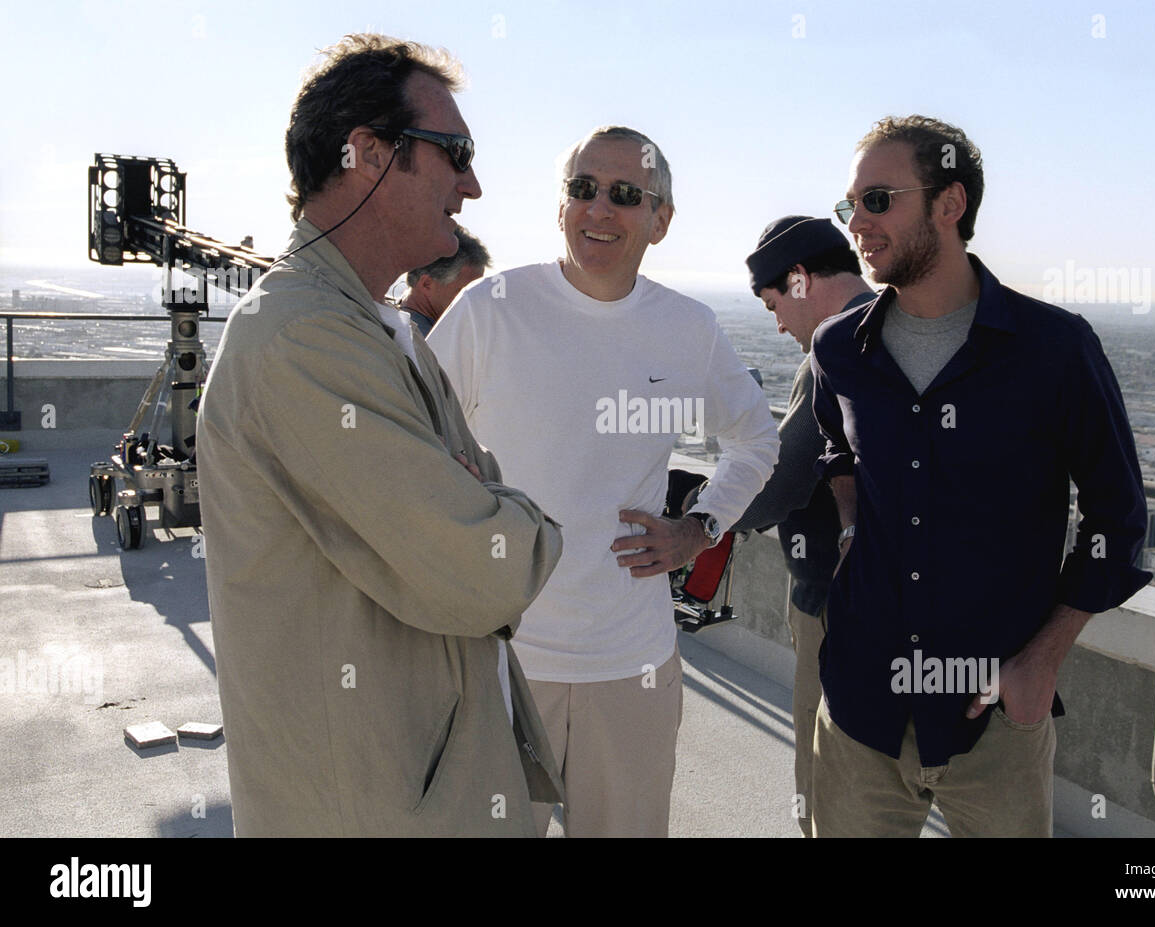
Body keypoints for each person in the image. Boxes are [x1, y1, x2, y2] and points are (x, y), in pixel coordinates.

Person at [195, 34, 564, 837]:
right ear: (366, 153)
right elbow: (485, 566)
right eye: (453, 152)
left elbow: (468, 516)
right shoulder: (304, 340)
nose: (472, 183)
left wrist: (475, 500)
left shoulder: (371, 327)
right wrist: (515, 520)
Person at [429, 125, 779, 837]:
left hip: (631, 665)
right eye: (582, 189)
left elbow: (757, 438)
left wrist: (701, 526)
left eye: (625, 195)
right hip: (498, 657)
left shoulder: (688, 329)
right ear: (560, 206)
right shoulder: (490, 309)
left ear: (661, 220)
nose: (599, 210)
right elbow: (411, 434)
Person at [809, 115, 1151, 837]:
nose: (856, 226)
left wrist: (1042, 661)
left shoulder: (1054, 350)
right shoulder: (838, 347)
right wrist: (848, 525)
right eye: (849, 207)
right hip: (858, 708)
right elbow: (837, 448)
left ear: (949, 204)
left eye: (878, 201)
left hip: (994, 719)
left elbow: (1116, 520)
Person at [731, 215, 872, 837]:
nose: (781, 324)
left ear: (799, 280)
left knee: (828, 786)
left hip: (835, 604)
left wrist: (703, 520)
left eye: (773, 306)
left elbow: (779, 480)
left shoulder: (835, 347)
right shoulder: (906, 324)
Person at [400, 225, 491, 337]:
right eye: (464, 292)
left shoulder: (396, 322)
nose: (474, 301)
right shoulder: (427, 341)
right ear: (426, 284)